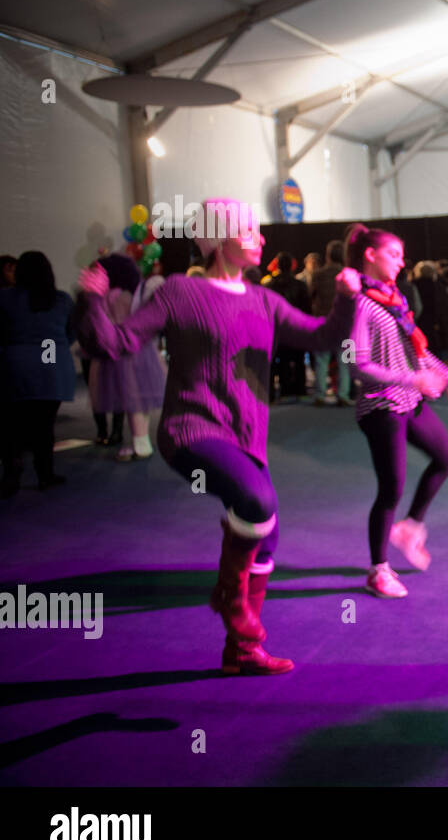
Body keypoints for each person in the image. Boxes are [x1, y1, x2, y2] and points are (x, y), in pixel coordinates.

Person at [78, 198, 358, 676]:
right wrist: (91, 299)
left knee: (265, 538)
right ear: (219, 240)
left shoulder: (264, 299)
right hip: (189, 430)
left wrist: (348, 299)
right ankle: (229, 598)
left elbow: (322, 338)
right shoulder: (180, 292)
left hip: (246, 437)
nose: (262, 238)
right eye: (250, 231)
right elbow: (114, 343)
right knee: (256, 500)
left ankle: (240, 652)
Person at [343, 224, 448, 599]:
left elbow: (418, 353)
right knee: (392, 487)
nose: (401, 262)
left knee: (447, 456)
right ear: (371, 255)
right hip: (380, 407)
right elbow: (357, 367)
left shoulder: (393, 299)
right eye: (394, 254)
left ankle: (411, 526)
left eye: (402, 255)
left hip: (408, 402)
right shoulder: (360, 304)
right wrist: (412, 381)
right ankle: (378, 569)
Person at [1, 251, 77, 496]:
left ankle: (11, 476)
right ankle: (45, 474)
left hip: (15, 367)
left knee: (11, 426)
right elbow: (71, 333)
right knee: (45, 426)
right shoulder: (62, 300)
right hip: (52, 365)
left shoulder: (5, 298)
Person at [87, 254, 165, 461]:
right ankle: (141, 440)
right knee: (139, 398)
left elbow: (101, 320)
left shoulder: (111, 294)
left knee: (132, 398)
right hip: (141, 348)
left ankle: (140, 443)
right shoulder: (136, 290)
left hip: (121, 350)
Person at [266, 252, 311, 401]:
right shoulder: (300, 285)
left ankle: (279, 391)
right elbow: (306, 307)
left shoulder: (269, 285)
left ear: (277, 265)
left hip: (276, 327)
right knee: (298, 358)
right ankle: (299, 389)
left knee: (278, 358)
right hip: (296, 325)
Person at [310, 240, 351, 405]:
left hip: (323, 321)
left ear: (327, 255)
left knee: (321, 360)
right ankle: (343, 395)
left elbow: (311, 295)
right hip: (345, 322)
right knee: (345, 361)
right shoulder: (348, 274)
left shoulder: (318, 274)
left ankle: (320, 395)